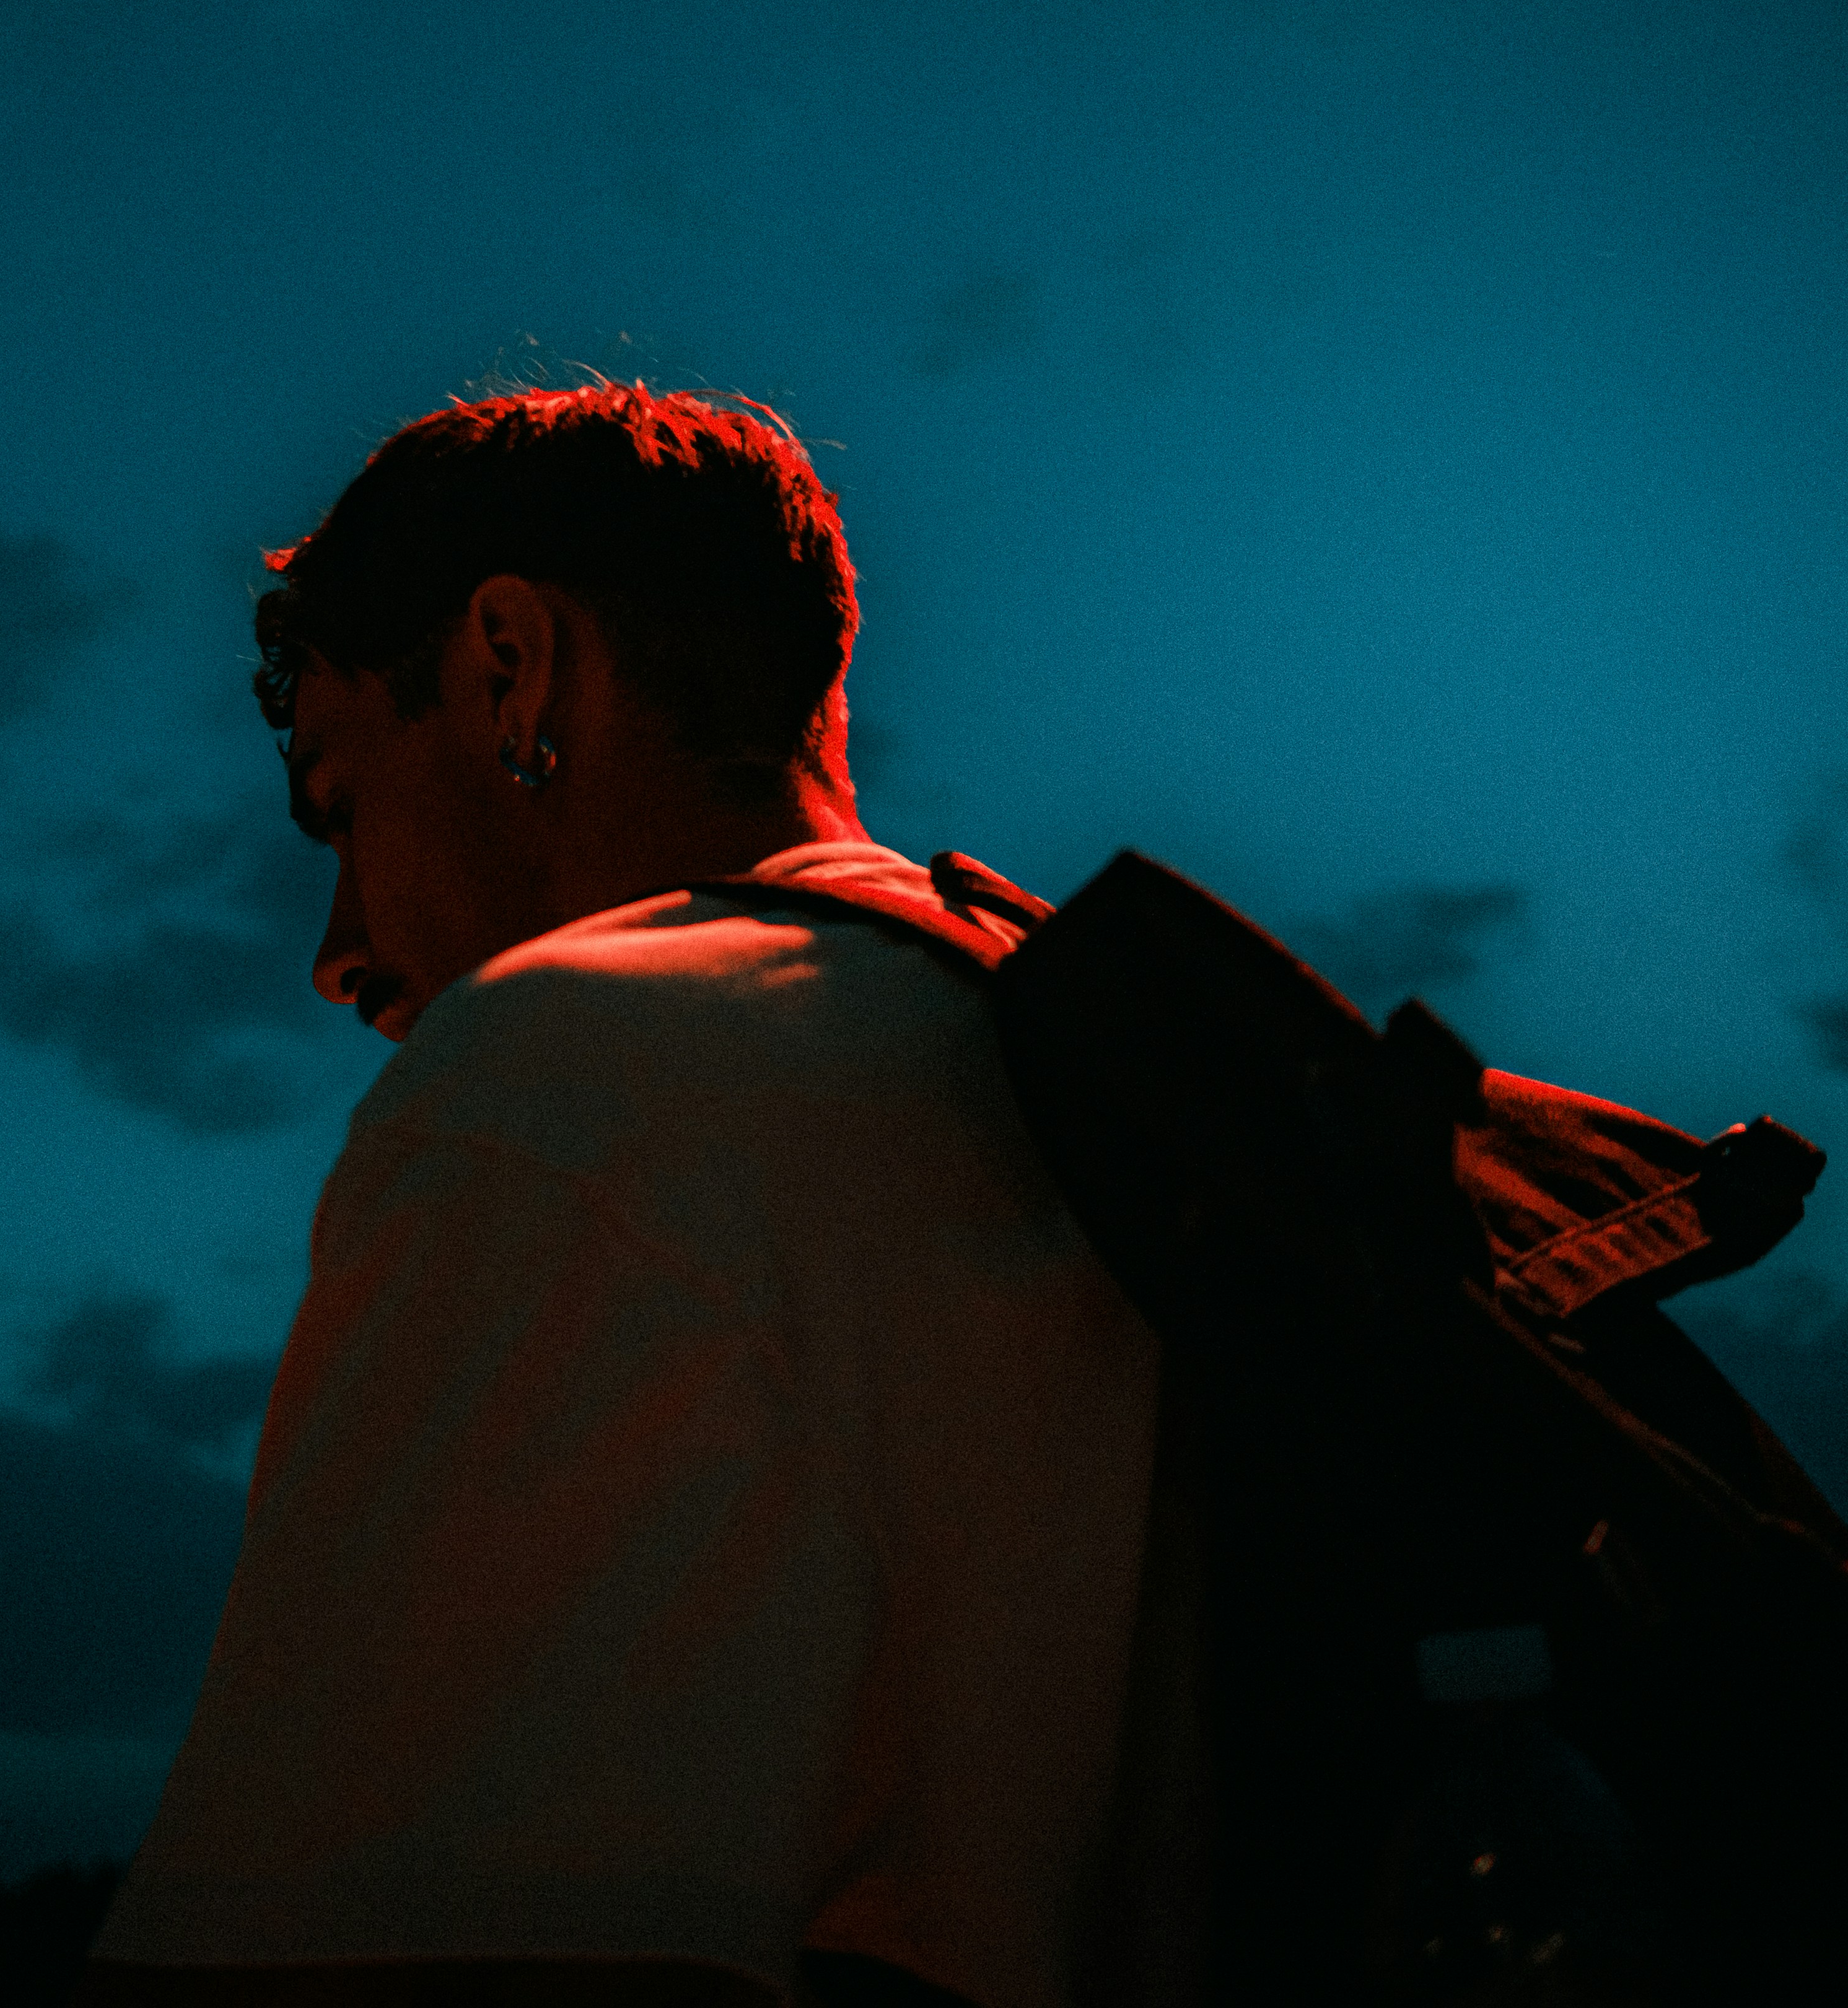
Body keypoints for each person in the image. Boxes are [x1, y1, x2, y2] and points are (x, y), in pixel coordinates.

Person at [79, 385, 1195, 2008]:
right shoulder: (1037, 1050)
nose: (336, 953)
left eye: (338, 804)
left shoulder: (569, 1082)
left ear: (511, 669)